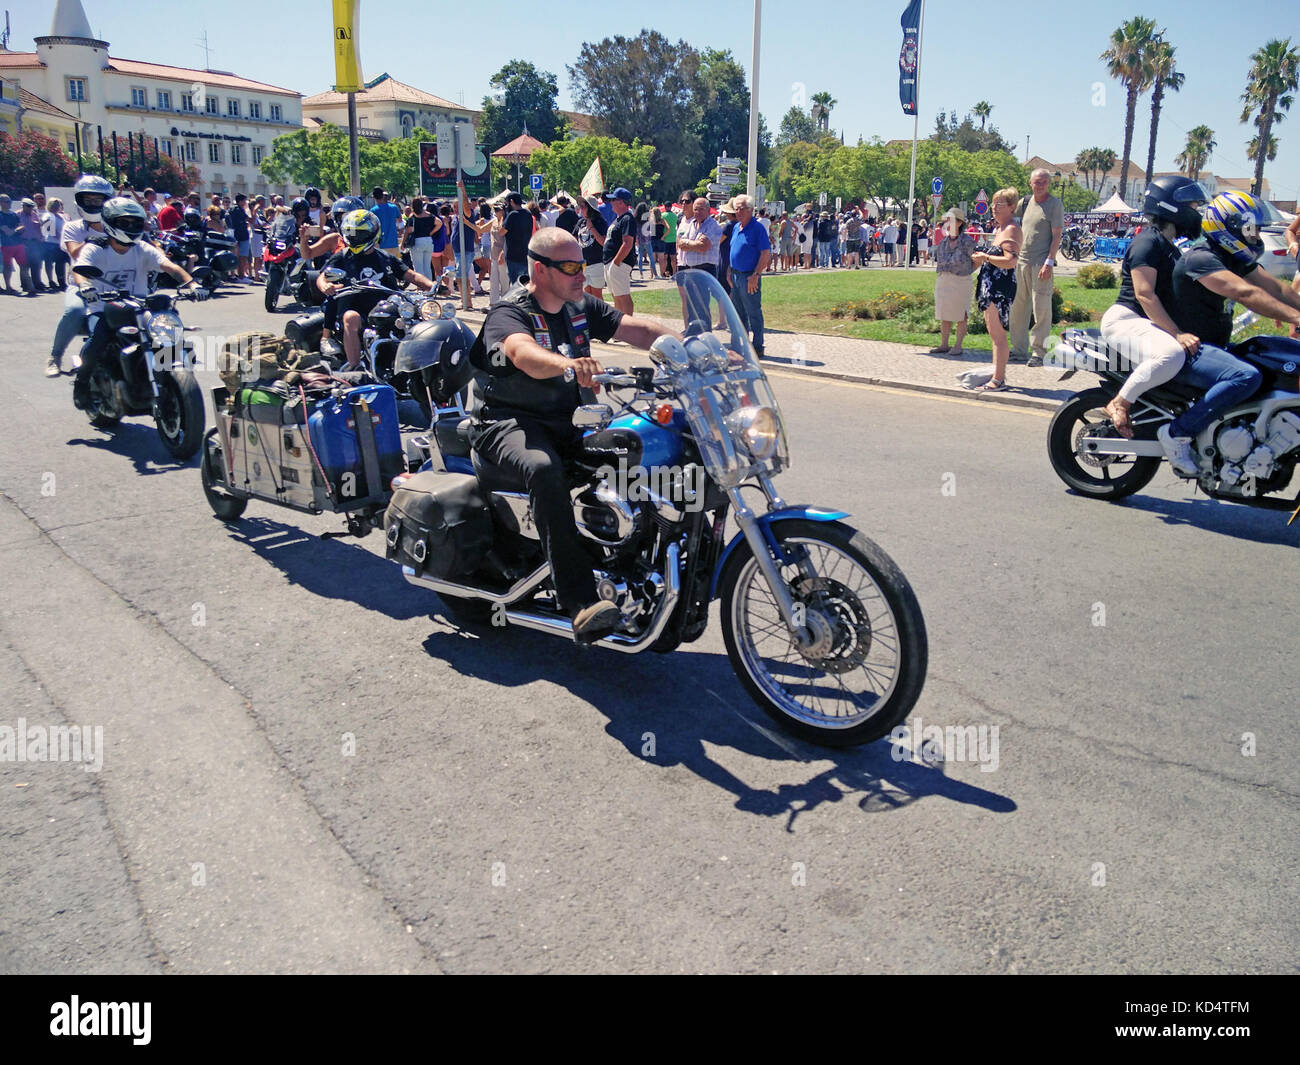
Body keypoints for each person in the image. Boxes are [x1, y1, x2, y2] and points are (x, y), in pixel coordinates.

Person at [467, 226, 676, 643]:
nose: (581, 274)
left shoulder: (578, 307)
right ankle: (579, 601)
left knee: (635, 451)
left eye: (582, 264)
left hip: (568, 418)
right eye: (570, 267)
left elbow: (637, 329)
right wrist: (566, 365)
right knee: (544, 469)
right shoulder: (510, 313)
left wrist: (694, 348)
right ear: (540, 270)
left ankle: (632, 567)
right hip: (507, 422)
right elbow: (522, 353)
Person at [1158, 191, 1300, 477]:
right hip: (1188, 350)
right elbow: (1245, 292)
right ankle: (1177, 433)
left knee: (1275, 353)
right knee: (1246, 376)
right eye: (1250, 228)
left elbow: (1276, 288)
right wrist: (1296, 317)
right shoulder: (1201, 258)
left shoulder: (1233, 258)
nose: (1255, 235)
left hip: (1214, 347)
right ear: (1227, 227)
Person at [1098, 175, 1208, 437]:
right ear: (1171, 207)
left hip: (1145, 322)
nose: (1196, 212)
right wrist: (1177, 333)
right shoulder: (1148, 242)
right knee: (1171, 354)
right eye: (1192, 206)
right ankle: (1120, 402)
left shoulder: (1168, 244)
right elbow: (1144, 294)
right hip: (1126, 319)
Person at [71, 198, 207, 409]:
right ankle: (81, 384)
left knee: (171, 329)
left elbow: (170, 267)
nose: (131, 227)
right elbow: (80, 271)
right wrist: (85, 287)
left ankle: (173, 376)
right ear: (110, 223)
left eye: (135, 223)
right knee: (98, 339)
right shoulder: (95, 247)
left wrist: (192, 284)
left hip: (141, 306)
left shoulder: (142, 247)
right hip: (104, 306)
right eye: (125, 223)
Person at [316, 209, 435, 370]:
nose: (355, 238)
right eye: (351, 233)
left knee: (417, 319)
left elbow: (411, 275)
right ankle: (355, 368)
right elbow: (323, 276)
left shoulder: (385, 257)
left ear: (372, 233)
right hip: (356, 309)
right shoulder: (342, 257)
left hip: (387, 309)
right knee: (351, 318)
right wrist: (325, 285)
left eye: (360, 234)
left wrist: (433, 286)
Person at [45, 176, 113, 376]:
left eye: (98, 200)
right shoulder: (72, 227)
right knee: (74, 311)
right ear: (80, 201)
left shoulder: (118, 225)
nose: (93, 204)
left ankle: (164, 365)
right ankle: (55, 356)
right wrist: (94, 239)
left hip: (115, 282)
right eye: (89, 200)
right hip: (82, 283)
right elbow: (75, 254)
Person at [1009, 168, 1064, 366]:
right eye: (1036, 182)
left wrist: (1050, 261)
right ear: (1030, 183)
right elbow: (1009, 218)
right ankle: (1018, 350)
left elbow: (1057, 235)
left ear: (1049, 183)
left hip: (1041, 263)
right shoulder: (1025, 203)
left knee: (1041, 309)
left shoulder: (1055, 204)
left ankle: (1039, 353)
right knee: (1018, 308)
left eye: (1044, 182)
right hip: (1021, 262)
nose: (1040, 185)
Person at [969, 188, 1022, 392]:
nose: (994, 208)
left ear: (1011, 207)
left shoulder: (1011, 229)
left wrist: (985, 257)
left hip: (1000, 288)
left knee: (998, 335)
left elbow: (1010, 261)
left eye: (999, 204)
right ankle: (998, 375)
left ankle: (998, 379)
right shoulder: (1000, 229)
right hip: (989, 286)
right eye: (993, 204)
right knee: (994, 334)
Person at [728, 194, 771, 358]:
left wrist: (756, 275)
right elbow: (733, 250)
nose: (738, 212)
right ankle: (743, 345)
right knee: (738, 313)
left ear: (751, 210)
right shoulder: (736, 227)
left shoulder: (757, 228)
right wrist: (729, 270)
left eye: (741, 209)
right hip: (735, 275)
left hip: (749, 277)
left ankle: (758, 346)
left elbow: (765, 254)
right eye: (736, 209)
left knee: (753, 312)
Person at [930, 207, 977, 356]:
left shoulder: (967, 241)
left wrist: (968, 270)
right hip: (944, 279)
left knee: (961, 314)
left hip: (961, 280)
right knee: (944, 312)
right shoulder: (943, 241)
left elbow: (977, 259)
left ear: (959, 223)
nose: (947, 224)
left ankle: (958, 345)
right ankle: (944, 344)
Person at [674, 197, 723, 326]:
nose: (698, 212)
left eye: (701, 209)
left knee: (702, 305)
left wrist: (688, 243)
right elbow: (680, 244)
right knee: (691, 305)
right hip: (690, 270)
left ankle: (705, 334)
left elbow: (703, 246)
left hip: (705, 269)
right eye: (696, 209)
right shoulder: (691, 224)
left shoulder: (712, 225)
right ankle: (693, 333)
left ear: (708, 210)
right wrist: (694, 243)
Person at [601, 187, 637, 314]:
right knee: (616, 296)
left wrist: (616, 263)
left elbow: (627, 243)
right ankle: (620, 326)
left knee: (623, 296)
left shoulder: (627, 218)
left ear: (621, 202)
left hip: (619, 263)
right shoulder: (619, 218)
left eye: (613, 200)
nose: (610, 202)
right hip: (611, 262)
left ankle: (628, 327)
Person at [575, 195, 608, 299]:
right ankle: (591, 315)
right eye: (580, 206)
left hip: (596, 263)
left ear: (590, 208)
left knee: (597, 296)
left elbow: (604, 242)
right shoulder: (581, 222)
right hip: (584, 264)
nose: (581, 209)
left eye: (583, 206)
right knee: (587, 295)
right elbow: (574, 238)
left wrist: (592, 228)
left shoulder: (600, 221)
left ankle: (600, 315)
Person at [404, 196, 441, 285]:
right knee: (427, 266)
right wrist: (431, 232)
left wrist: (403, 242)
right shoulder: (429, 214)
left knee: (418, 267)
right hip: (428, 240)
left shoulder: (413, 216)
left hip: (417, 241)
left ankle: (421, 286)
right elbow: (439, 223)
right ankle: (429, 286)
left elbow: (409, 230)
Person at [501, 192, 533, 286]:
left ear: (511, 202)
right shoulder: (528, 213)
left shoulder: (512, 215)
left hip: (513, 256)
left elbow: (501, 232)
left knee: (515, 285)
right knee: (526, 284)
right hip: (526, 254)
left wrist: (504, 215)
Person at [39, 196, 68, 292]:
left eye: (57, 205)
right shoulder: (47, 216)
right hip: (50, 243)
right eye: (54, 205)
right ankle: (51, 281)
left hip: (59, 244)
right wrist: (61, 238)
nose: (56, 207)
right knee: (49, 263)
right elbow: (49, 230)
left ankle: (62, 282)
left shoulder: (61, 216)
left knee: (61, 264)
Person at [370, 187, 403, 257]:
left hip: (379, 244)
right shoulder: (394, 208)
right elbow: (400, 222)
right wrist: (400, 233)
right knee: (393, 265)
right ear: (383, 196)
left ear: (374, 197)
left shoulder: (373, 211)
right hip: (393, 242)